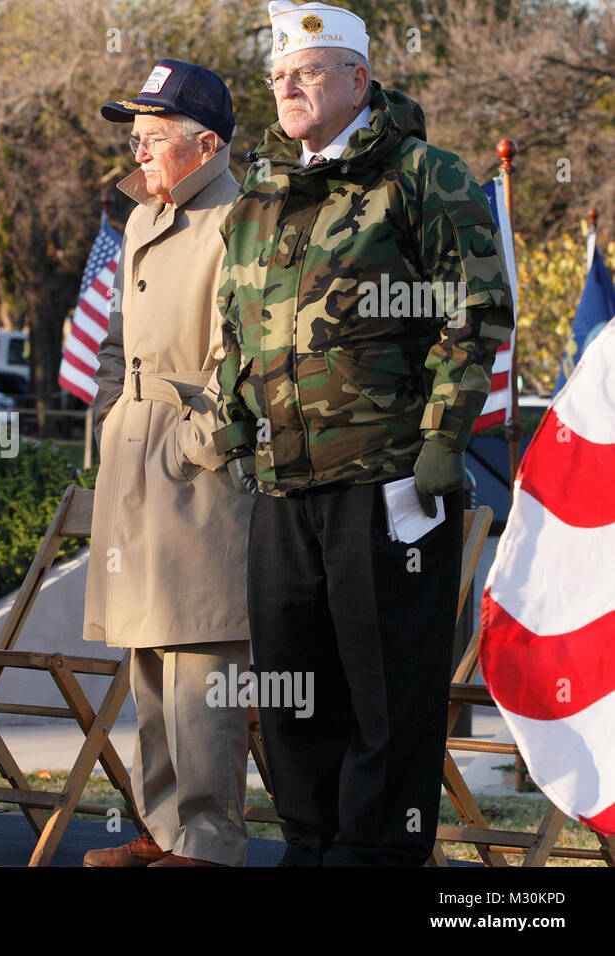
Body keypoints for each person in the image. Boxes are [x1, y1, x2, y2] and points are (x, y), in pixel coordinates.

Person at [214, 1, 514, 866]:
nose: (289, 86)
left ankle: (376, 856)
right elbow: (238, 324)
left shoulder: (425, 176)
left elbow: (477, 311)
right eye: (278, 75)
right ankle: (310, 847)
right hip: (285, 484)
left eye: (308, 71)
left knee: (390, 694)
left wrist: (444, 437)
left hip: (391, 482)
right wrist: (240, 428)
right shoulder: (261, 196)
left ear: (358, 78)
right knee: (295, 690)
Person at [79, 61, 252, 868]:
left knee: (203, 659)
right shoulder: (148, 215)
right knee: (147, 651)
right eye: (137, 138)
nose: (138, 153)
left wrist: (196, 447)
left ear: (205, 142)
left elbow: (245, 357)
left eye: (152, 138)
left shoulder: (242, 217)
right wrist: (114, 422)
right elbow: (117, 344)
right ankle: (165, 829)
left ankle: (210, 842)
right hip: (135, 449)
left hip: (196, 458)